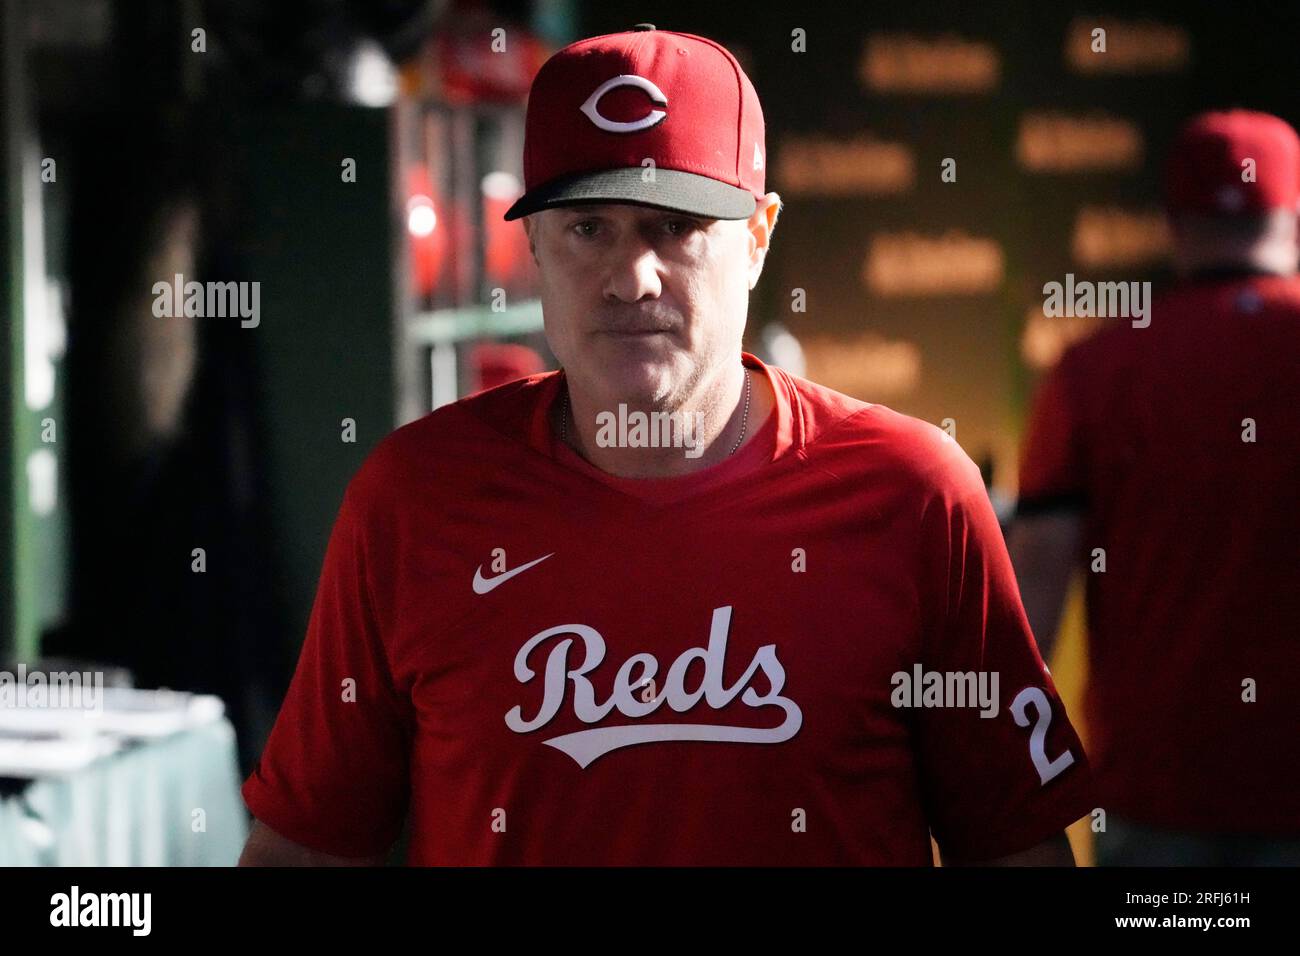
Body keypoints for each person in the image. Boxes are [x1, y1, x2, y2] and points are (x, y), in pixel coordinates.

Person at [239, 25, 1092, 866]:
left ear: (757, 238)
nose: (630, 276)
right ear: (532, 244)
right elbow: (305, 845)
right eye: (587, 228)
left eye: (674, 227)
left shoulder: (914, 495)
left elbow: (1017, 847)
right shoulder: (414, 498)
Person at [1009, 109, 1300, 865]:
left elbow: (1028, 613)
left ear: (1173, 224)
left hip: (1153, 795)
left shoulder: (1095, 370)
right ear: (1294, 216)